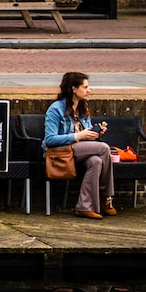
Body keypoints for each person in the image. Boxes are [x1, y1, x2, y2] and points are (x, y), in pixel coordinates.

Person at [43, 70, 118, 219]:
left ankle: (84, 207)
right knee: (104, 148)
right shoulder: (56, 109)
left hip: (78, 150)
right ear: (73, 88)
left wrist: (95, 133)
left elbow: (86, 136)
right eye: (85, 87)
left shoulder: (83, 109)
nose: (89, 91)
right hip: (59, 152)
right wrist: (78, 136)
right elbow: (49, 140)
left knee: (95, 161)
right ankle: (106, 197)